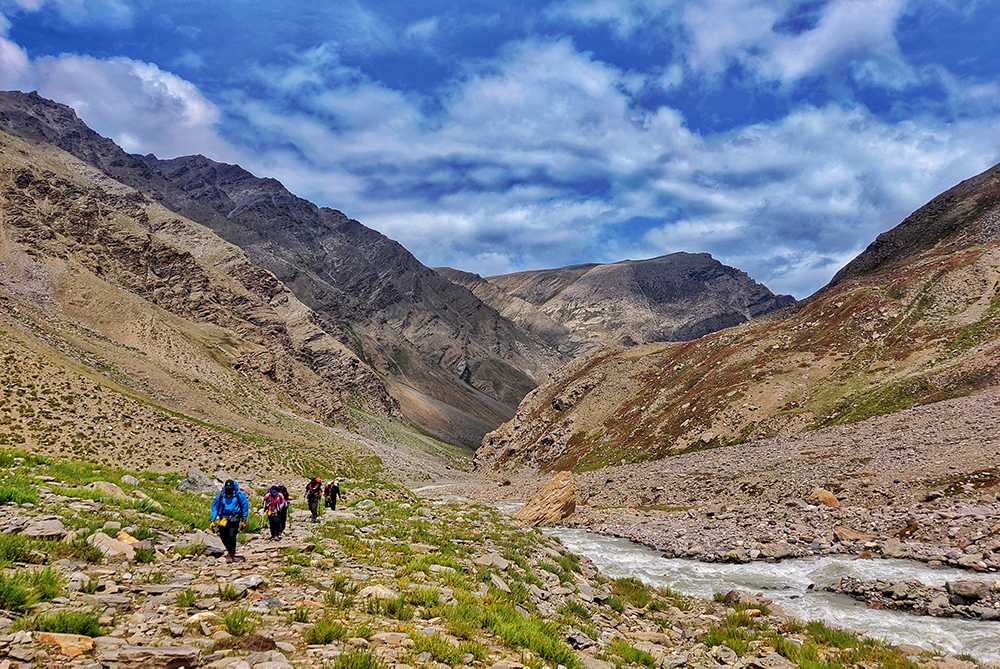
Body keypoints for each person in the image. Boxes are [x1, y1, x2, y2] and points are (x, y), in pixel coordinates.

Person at [209, 479, 248, 562]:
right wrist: (212, 520)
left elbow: (245, 506)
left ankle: (231, 553)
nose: (228, 491)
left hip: (234, 518)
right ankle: (229, 550)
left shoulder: (239, 495)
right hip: (223, 518)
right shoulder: (221, 495)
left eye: (230, 489)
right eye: (227, 489)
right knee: (223, 536)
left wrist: (244, 521)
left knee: (231, 536)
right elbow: (215, 507)